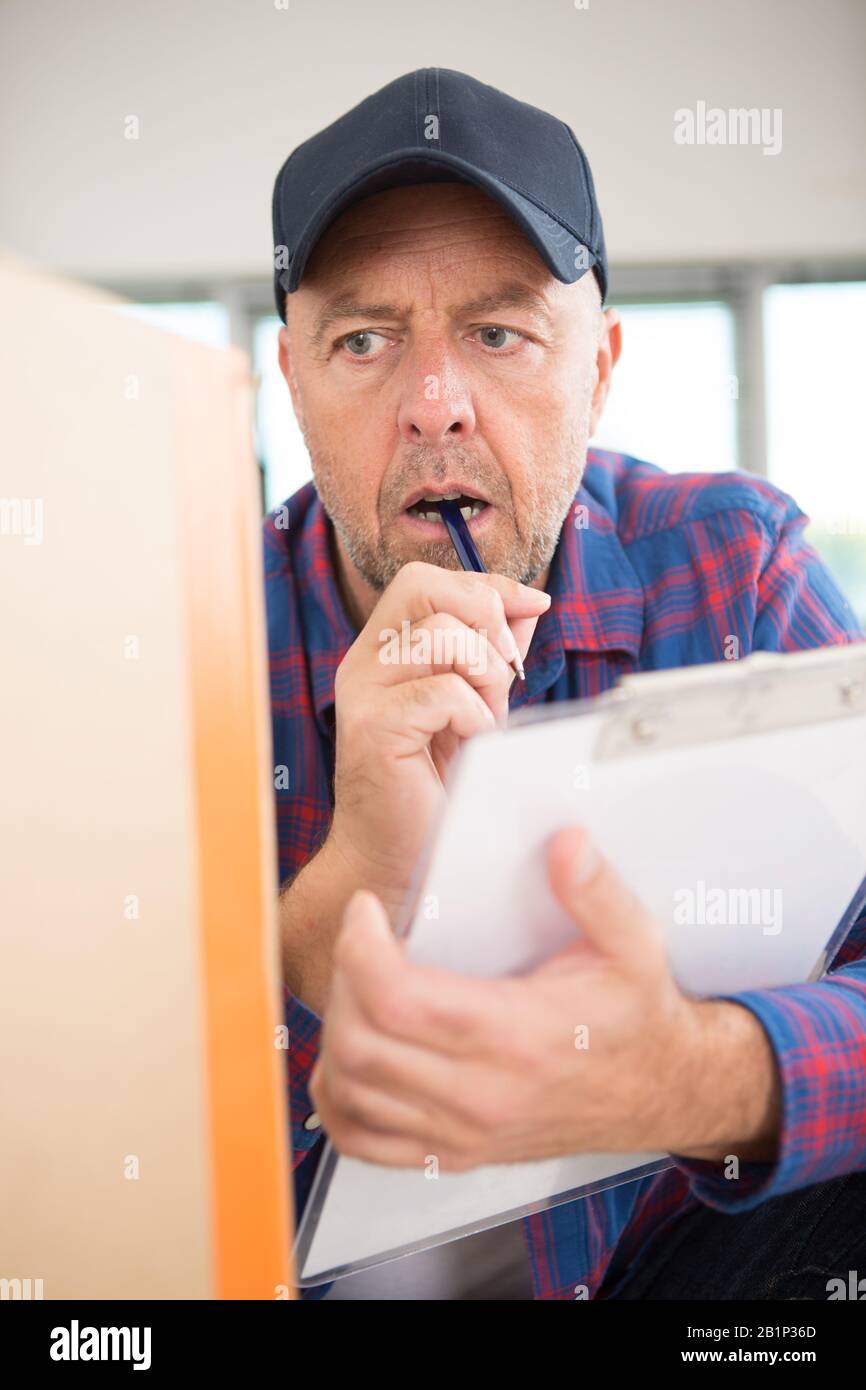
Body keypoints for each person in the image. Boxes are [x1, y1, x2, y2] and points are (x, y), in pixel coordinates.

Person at [266, 69, 866, 1299]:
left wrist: (695, 1071)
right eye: (364, 341)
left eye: (497, 334)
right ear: (292, 380)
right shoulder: (185, 642)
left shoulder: (731, 569)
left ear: (596, 367)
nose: (434, 409)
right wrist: (336, 910)